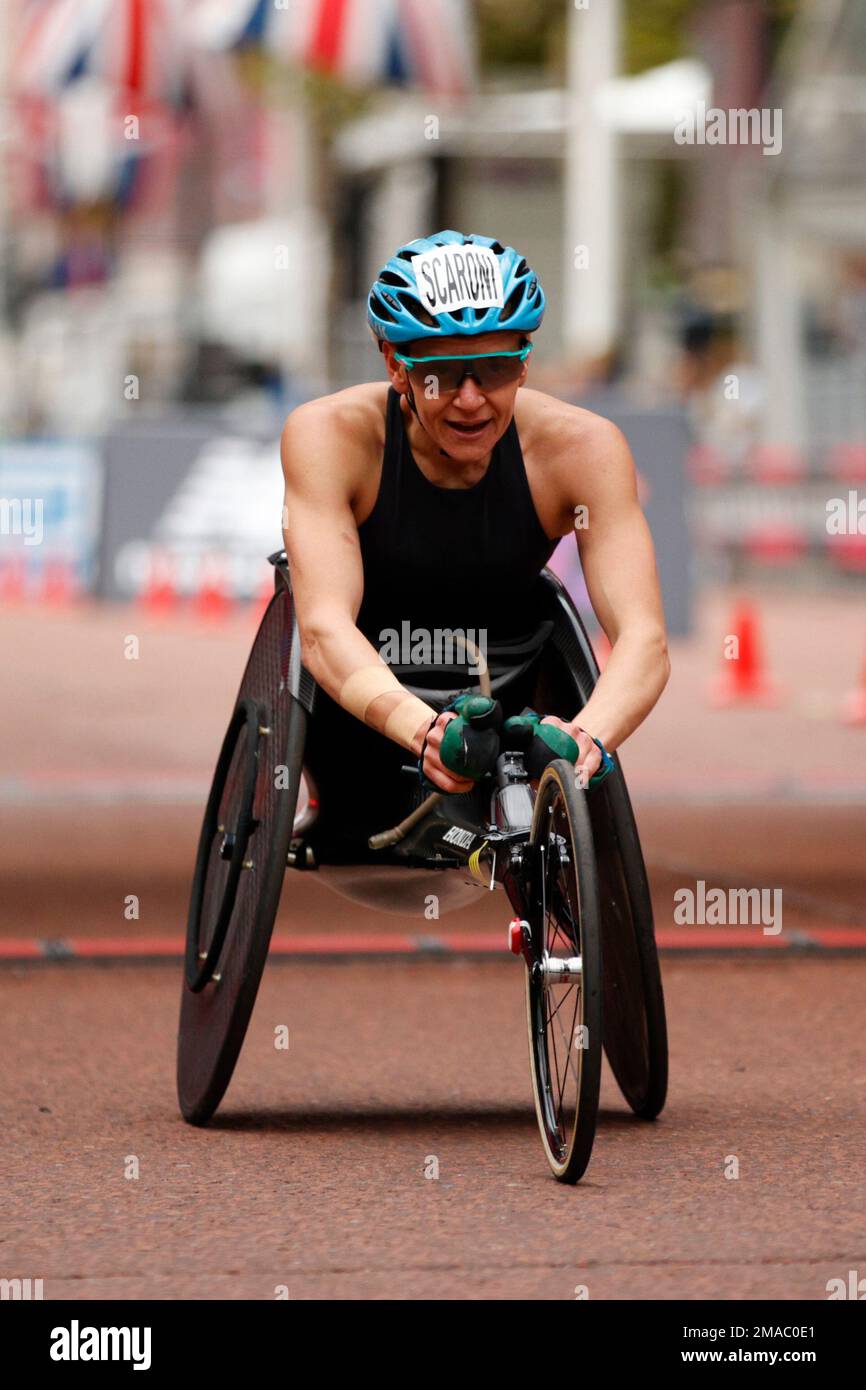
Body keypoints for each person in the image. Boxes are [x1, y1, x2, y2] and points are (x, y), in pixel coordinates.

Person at [280, 230, 669, 845]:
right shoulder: (329, 436)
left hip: (507, 685)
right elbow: (324, 626)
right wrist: (423, 730)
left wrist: (587, 736)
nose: (469, 400)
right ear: (394, 366)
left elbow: (645, 638)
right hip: (361, 697)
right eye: (440, 375)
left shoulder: (584, 450)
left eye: (494, 369)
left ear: (524, 363)